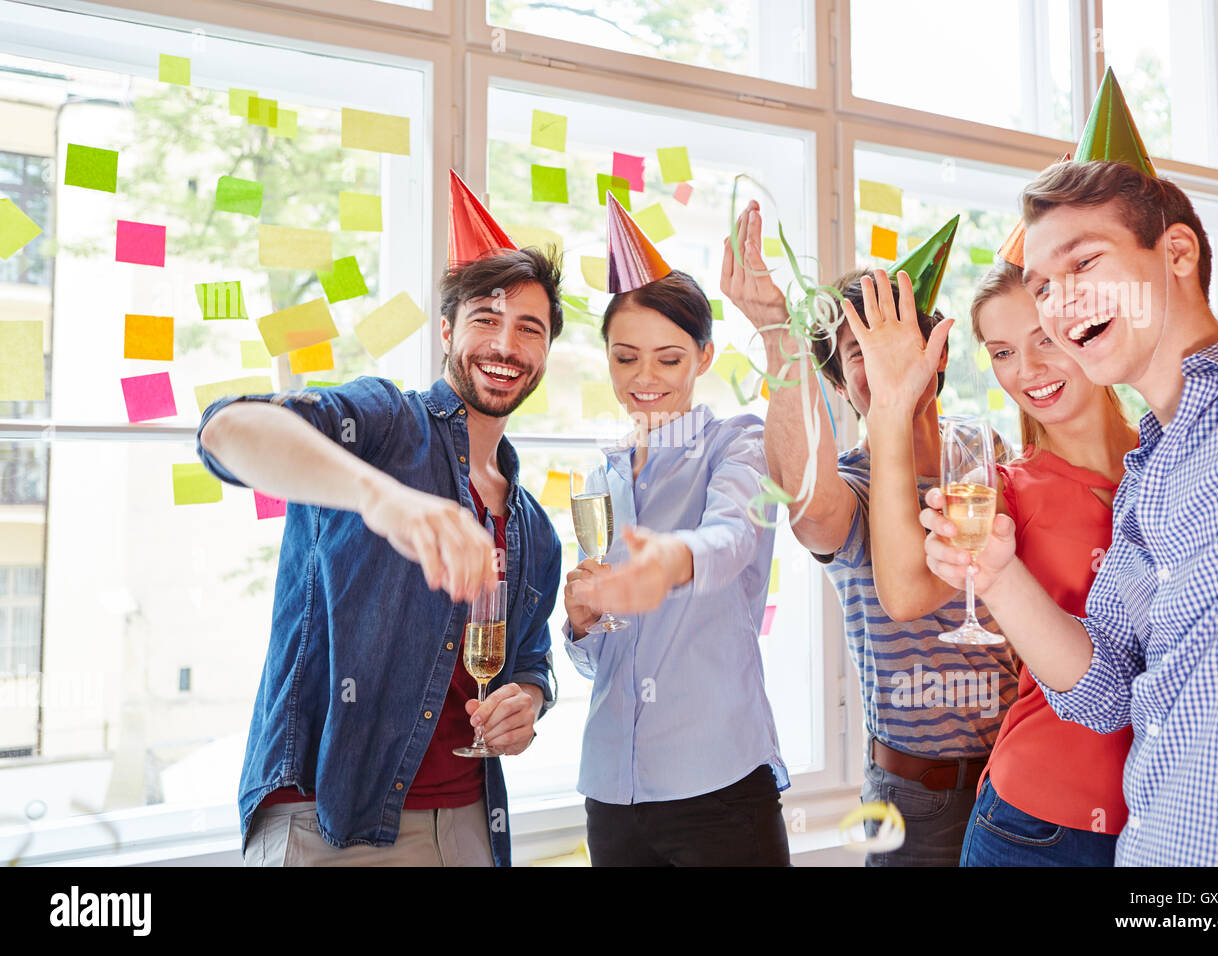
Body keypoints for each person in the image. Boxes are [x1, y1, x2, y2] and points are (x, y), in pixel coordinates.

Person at [919, 156, 1218, 865]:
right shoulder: (1142, 487)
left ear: (1176, 252)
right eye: (1043, 289)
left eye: (1084, 263)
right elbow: (1104, 694)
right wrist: (998, 576)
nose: (1060, 305)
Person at [195, 172, 564, 866]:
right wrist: (378, 497)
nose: (505, 345)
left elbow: (532, 659)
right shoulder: (388, 423)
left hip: (468, 826)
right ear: (449, 330)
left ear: (544, 354)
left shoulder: (534, 527)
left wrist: (530, 700)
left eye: (529, 329)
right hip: (327, 819)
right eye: (486, 319)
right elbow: (227, 433)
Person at [722, 202, 1017, 866]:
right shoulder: (852, 486)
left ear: (934, 351)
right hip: (916, 800)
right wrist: (779, 336)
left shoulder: (984, 451)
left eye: (900, 341)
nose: (885, 363)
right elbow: (806, 501)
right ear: (839, 380)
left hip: (1018, 776)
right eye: (860, 352)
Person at [851, 247, 1138, 864]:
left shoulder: (1173, 462)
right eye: (1002, 352)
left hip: (1170, 821)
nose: (1027, 369)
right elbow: (903, 594)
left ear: (1089, 325)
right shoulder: (1007, 492)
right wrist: (892, 408)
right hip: (1036, 828)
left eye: (1044, 338)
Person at [562, 195, 789, 867]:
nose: (645, 378)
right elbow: (593, 657)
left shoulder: (737, 442)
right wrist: (579, 621)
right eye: (626, 358)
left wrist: (669, 560)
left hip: (717, 785)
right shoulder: (600, 476)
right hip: (611, 791)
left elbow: (730, 540)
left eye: (668, 358)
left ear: (704, 357)